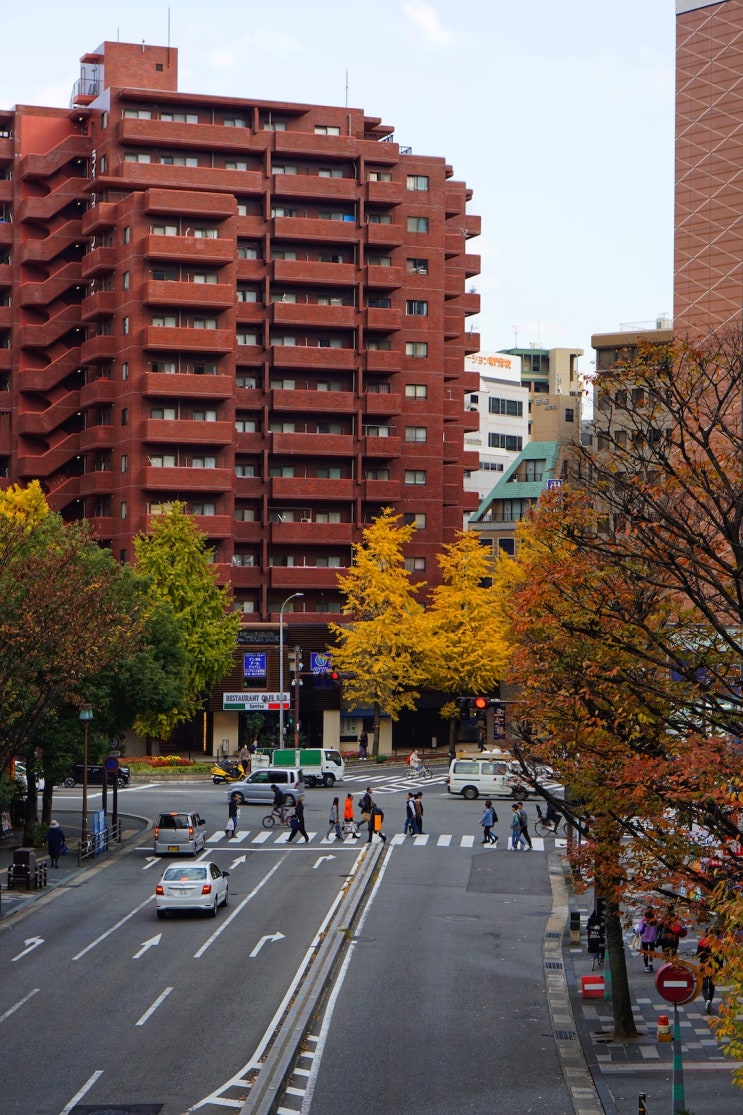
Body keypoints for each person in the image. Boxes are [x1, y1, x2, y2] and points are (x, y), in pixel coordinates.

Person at [696, 930, 722, 1013]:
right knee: (711, 986)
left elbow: (698, 955)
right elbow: (721, 957)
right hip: (714, 967)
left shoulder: (701, 942)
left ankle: (707, 1000)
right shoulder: (718, 943)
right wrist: (720, 968)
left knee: (704, 986)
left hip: (704, 966)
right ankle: (710, 1001)